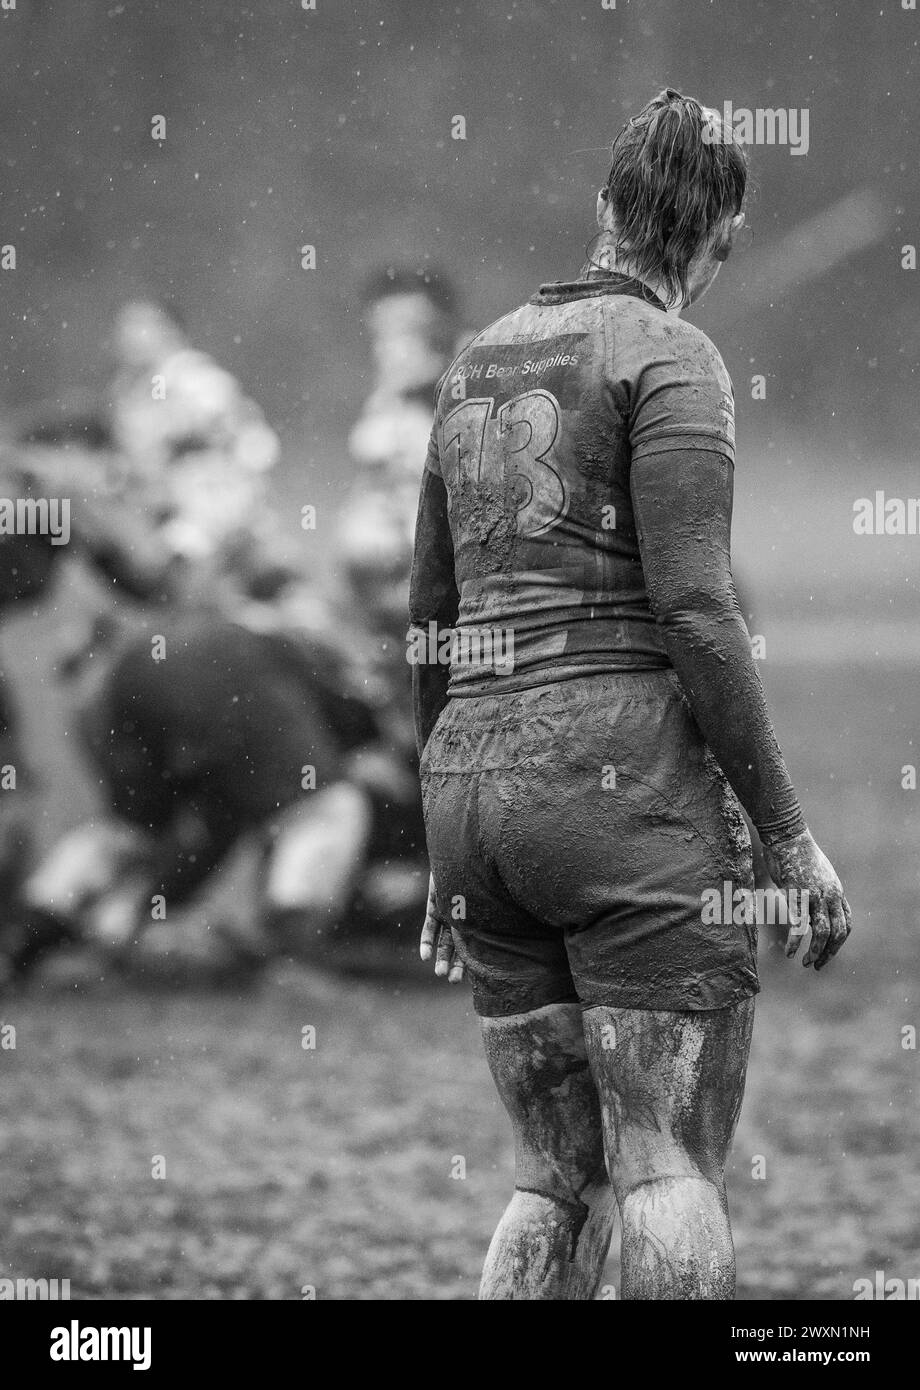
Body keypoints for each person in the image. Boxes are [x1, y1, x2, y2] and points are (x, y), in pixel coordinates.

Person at [409, 89, 852, 1300]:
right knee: (662, 1158)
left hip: (475, 794)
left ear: (600, 209)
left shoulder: (472, 361)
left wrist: (439, 841)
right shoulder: (673, 356)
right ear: (719, 242)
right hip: (617, 798)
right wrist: (784, 834)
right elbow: (698, 613)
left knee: (552, 1172)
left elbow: (430, 623)